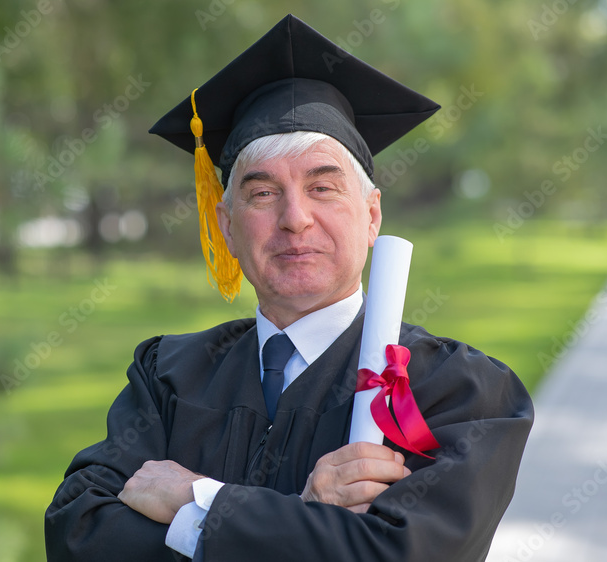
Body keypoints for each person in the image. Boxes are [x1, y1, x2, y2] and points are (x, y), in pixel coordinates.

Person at [45, 14, 533, 561]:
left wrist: (202, 503)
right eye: (262, 194)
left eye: (323, 187)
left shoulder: (453, 392)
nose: (294, 218)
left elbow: (399, 555)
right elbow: (79, 532)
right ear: (227, 225)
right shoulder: (168, 377)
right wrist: (304, 518)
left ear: (371, 216)